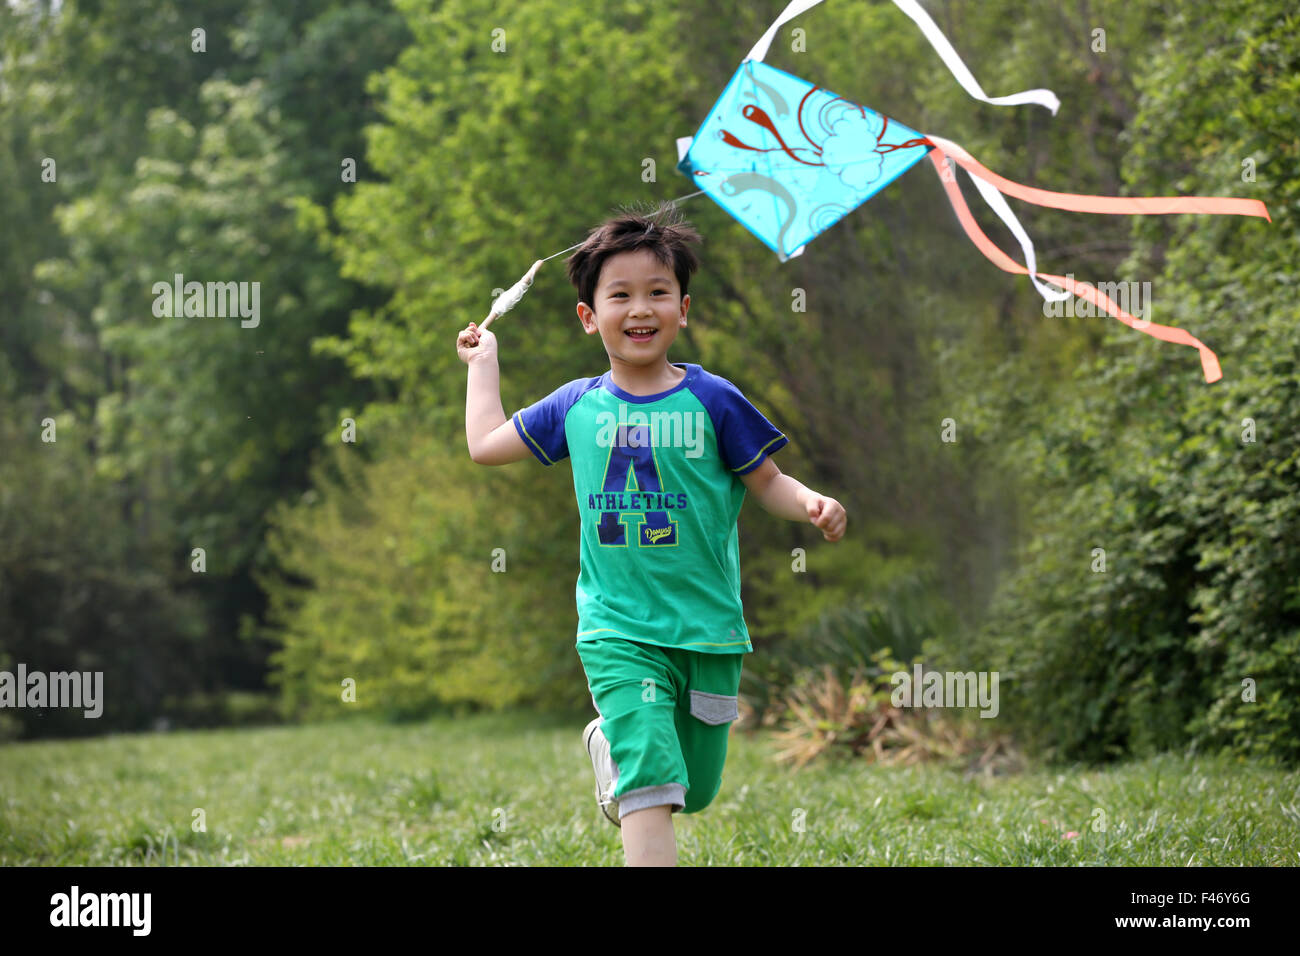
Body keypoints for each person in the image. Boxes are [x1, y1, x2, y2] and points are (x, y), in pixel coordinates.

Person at [456, 201, 846, 866]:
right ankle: (630, 756)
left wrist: (812, 502)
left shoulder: (715, 400)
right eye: (621, 296)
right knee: (653, 779)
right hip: (618, 628)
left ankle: (612, 748)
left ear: (683, 310)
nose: (641, 309)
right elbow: (487, 444)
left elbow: (768, 482)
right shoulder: (576, 405)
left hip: (708, 626)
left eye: (658, 293)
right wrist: (482, 362)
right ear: (589, 316)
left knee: (693, 788)